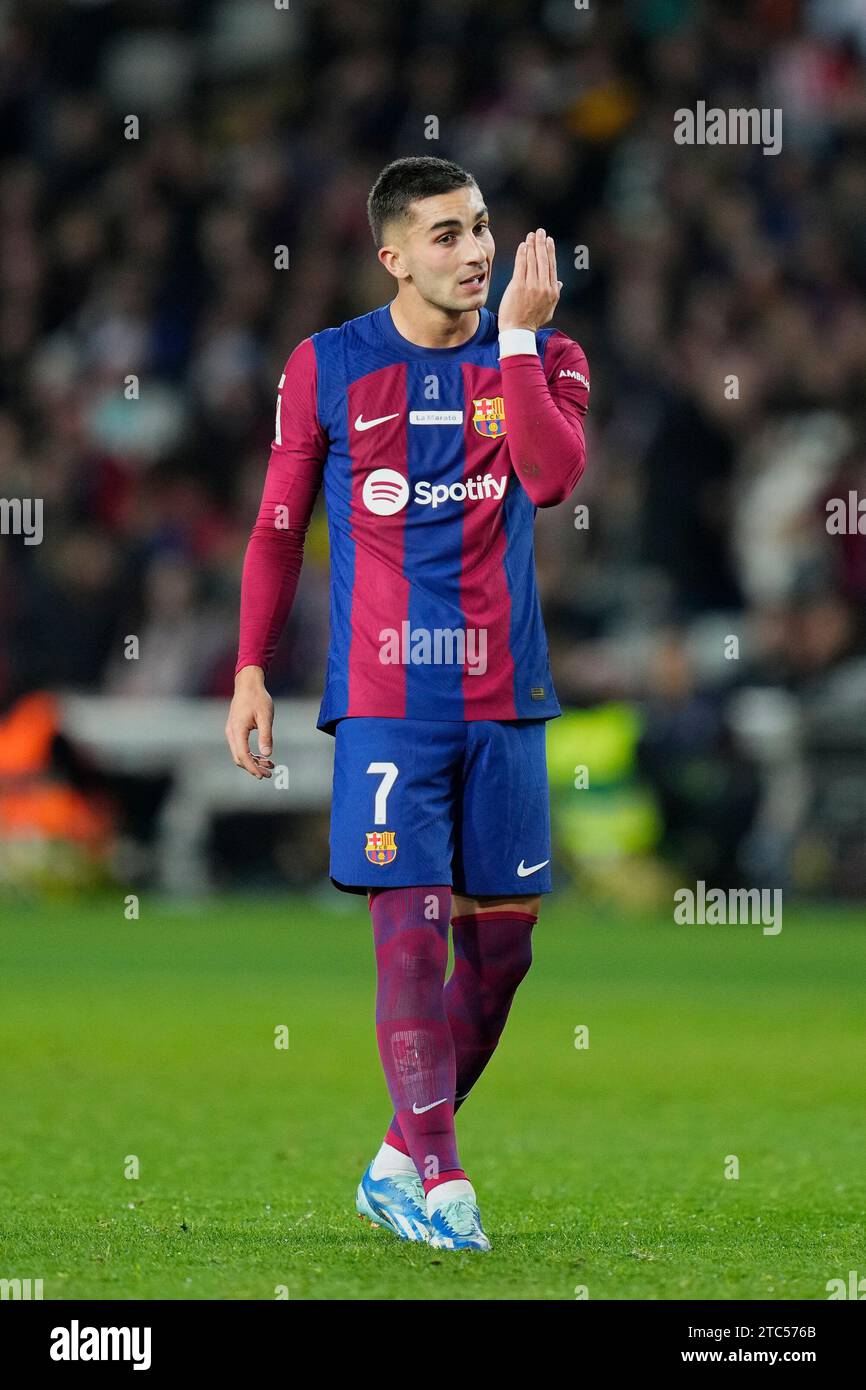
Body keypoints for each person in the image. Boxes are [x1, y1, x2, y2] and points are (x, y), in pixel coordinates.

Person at [225, 156, 590, 1251]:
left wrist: (519, 345)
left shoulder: (545, 354)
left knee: (502, 956)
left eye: (481, 227)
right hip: (386, 698)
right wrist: (250, 667)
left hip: (506, 695)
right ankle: (440, 1178)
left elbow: (551, 478)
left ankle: (396, 1155)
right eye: (446, 233)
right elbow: (279, 528)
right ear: (391, 255)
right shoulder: (327, 366)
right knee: (409, 936)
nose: (476, 251)